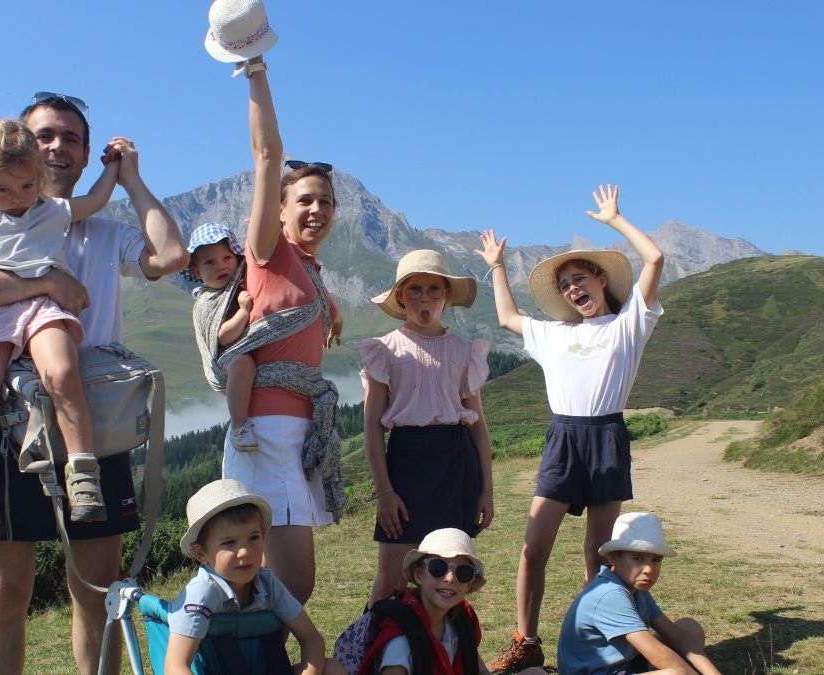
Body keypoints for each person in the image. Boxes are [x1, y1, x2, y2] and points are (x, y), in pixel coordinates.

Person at [0, 92, 188, 675]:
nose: (57, 146)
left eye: (70, 138)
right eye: (44, 136)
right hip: (8, 416)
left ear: (88, 153)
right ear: (22, 149)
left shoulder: (101, 227)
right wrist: (47, 287)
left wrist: (132, 181)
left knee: (97, 589)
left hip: (90, 415)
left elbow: (171, 254)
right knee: (4, 592)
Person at [475, 184, 665, 673]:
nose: (573, 290)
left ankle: (598, 642)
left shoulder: (629, 325)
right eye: (565, 286)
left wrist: (615, 221)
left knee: (601, 555)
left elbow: (656, 258)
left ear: (601, 278)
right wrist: (497, 265)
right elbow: (507, 317)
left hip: (606, 437)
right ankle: (527, 641)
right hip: (564, 439)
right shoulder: (554, 333)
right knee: (532, 548)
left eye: (580, 279)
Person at [0, 119, 120, 558]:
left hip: (43, 310)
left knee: (62, 372)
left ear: (39, 177)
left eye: (26, 185)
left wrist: (115, 167)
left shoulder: (51, 209)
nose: (17, 198)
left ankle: (82, 473)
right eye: (3, 189)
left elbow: (96, 200)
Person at [220, 51, 345, 606]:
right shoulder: (268, 252)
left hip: (294, 434)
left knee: (276, 583)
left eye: (326, 201)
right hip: (265, 433)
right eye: (305, 200)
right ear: (280, 210)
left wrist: (332, 307)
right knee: (290, 581)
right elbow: (267, 154)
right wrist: (257, 71)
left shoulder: (312, 273)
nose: (317, 209)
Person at [359, 249, 494, 606]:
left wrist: (487, 490)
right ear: (400, 295)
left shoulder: (465, 352)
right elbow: (372, 427)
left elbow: (478, 425)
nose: (424, 297)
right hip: (406, 463)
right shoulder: (384, 351)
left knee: (448, 576)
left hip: (456, 465)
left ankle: (441, 656)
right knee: (392, 578)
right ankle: (372, 654)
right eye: (414, 288)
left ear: (446, 296)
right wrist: (384, 492)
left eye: (434, 288)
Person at [326, 528, 543, 675]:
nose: (449, 578)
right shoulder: (402, 638)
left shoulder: (459, 620)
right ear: (418, 574)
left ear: (470, 584)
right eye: (438, 568)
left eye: (463, 573)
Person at [165, 479, 324, 675]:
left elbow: (311, 638)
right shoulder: (202, 593)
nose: (245, 551)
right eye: (229, 542)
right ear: (201, 554)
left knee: (333, 669)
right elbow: (175, 666)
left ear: (264, 537)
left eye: (253, 538)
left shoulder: (268, 585)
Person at [558, 512, 719, 675]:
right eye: (638, 558)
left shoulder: (635, 589)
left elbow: (675, 635)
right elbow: (659, 656)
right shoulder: (609, 595)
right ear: (613, 557)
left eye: (656, 560)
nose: (648, 569)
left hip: (627, 665)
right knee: (676, 673)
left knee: (689, 628)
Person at [182, 222, 260, 451]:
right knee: (243, 364)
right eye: (210, 262)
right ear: (196, 271)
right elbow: (223, 337)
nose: (221, 266)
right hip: (226, 359)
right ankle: (239, 426)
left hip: (244, 350)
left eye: (227, 258)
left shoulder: (239, 287)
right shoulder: (207, 300)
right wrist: (244, 311)